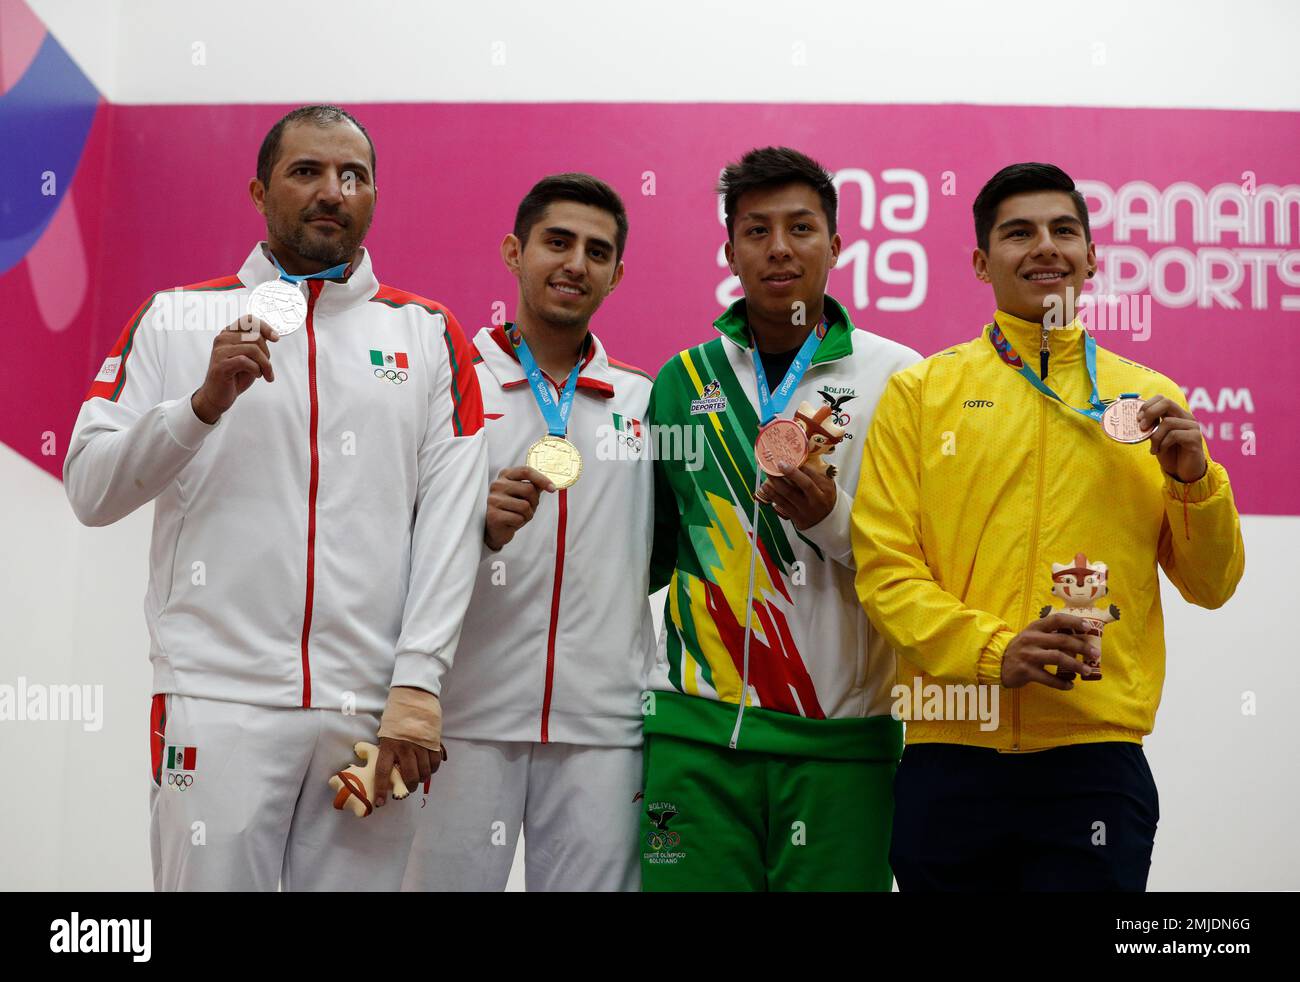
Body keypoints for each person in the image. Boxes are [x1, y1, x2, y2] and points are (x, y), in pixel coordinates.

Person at [64, 104, 489, 891]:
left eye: (352, 175)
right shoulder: (176, 317)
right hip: (217, 702)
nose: (333, 190)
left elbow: (451, 529)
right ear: (259, 191)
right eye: (307, 172)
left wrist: (418, 688)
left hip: (371, 714)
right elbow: (90, 488)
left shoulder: (430, 336)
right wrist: (197, 408)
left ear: (373, 195)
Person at [852, 161, 1246, 891]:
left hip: (1095, 758)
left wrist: (1195, 482)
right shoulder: (922, 394)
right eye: (1018, 233)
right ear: (980, 260)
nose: (1045, 247)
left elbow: (1213, 584)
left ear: (1092, 257)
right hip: (950, 743)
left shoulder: (1151, 399)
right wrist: (994, 650)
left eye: (1064, 230)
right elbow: (886, 571)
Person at [640, 146, 920, 891]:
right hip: (693, 741)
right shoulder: (683, 379)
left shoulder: (902, 380)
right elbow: (650, 554)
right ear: (730, 250)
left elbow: (921, 565)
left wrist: (833, 520)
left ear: (837, 243)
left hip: (840, 743)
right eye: (756, 231)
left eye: (801, 228)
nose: (779, 248)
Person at [402, 174, 656, 892]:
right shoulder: (447, 385)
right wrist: (470, 527)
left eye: (597, 251)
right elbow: (379, 534)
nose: (576, 262)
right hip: (461, 719)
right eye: (557, 242)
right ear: (515, 251)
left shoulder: (646, 402)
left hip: (602, 731)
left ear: (617, 273)